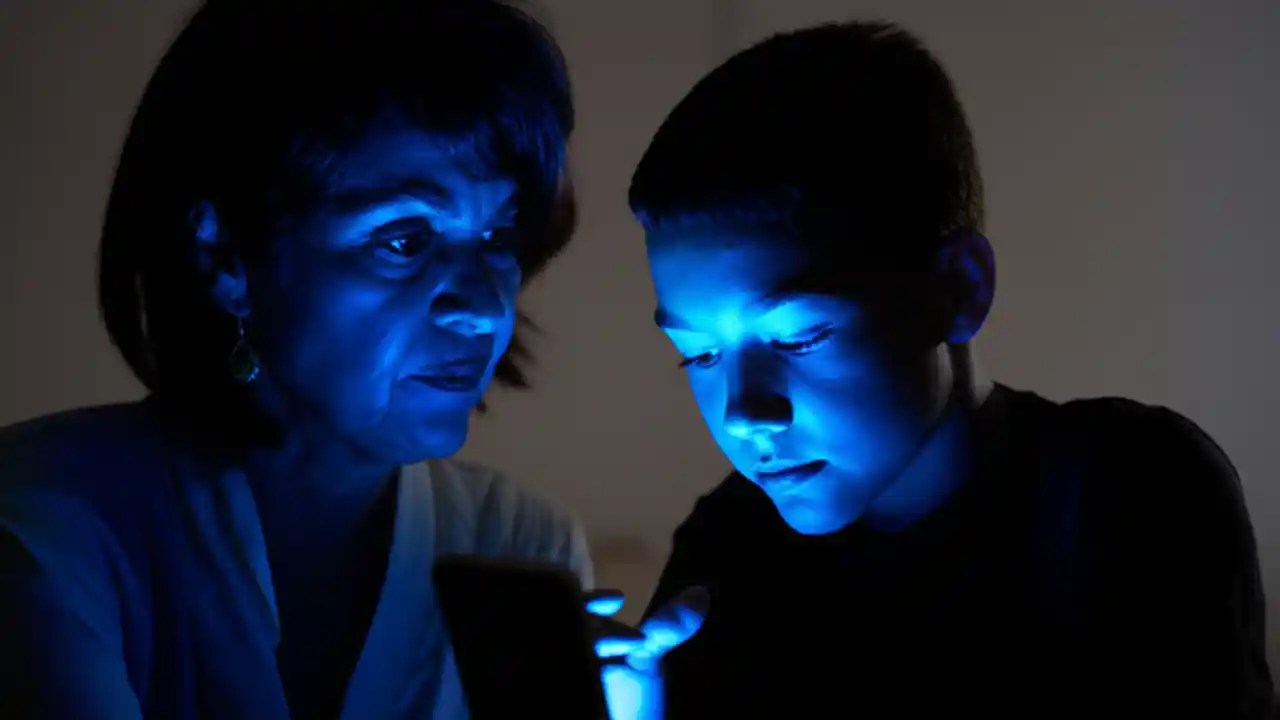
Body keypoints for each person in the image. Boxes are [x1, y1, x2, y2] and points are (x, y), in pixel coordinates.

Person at [602, 20, 1276, 719]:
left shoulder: (1130, 489)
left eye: (800, 338)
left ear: (958, 288)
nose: (743, 412)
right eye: (699, 353)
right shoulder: (732, 543)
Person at [0, 1, 592, 717]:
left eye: (497, 237)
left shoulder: (516, 542)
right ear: (226, 255)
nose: (486, 307)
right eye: (404, 240)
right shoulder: (48, 520)